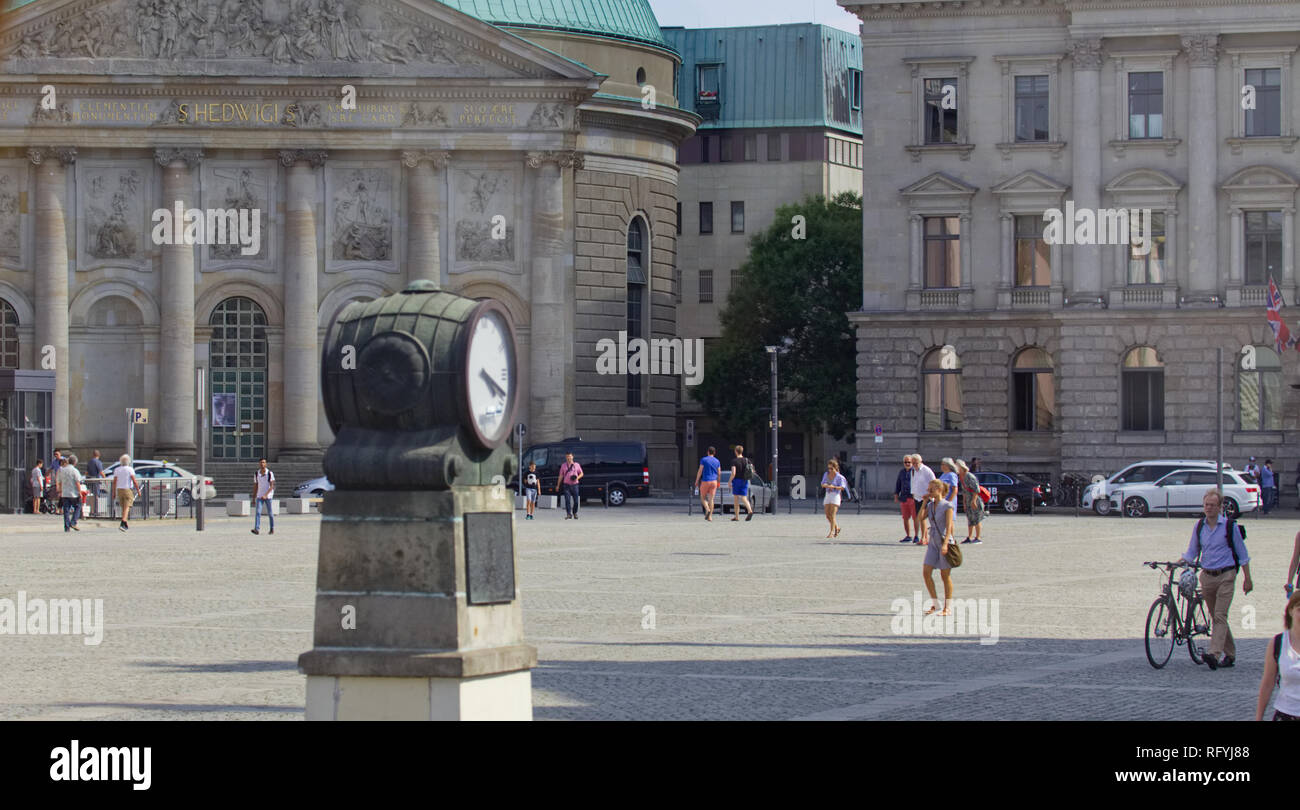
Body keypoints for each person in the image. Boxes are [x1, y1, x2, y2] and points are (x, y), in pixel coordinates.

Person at [1181, 488, 1252, 670]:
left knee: (1220, 615)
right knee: (1216, 617)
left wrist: (1247, 579)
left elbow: (1242, 554)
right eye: (1206, 505)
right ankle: (1231, 653)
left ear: (1220, 507)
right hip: (1207, 576)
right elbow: (1192, 551)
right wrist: (1178, 562)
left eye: (1213, 505)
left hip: (1226, 575)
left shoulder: (1230, 526)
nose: (1209, 508)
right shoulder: (1199, 526)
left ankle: (1214, 654)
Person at [1256, 594, 1300, 720]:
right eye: (1299, 610)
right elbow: (1267, 683)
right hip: (1286, 714)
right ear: (1291, 611)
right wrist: (1259, 718)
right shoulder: (1278, 643)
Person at [921, 478, 955, 616]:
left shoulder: (947, 506)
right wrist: (924, 502)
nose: (929, 492)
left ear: (939, 490)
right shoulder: (930, 505)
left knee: (944, 575)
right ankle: (935, 604)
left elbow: (949, 527)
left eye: (931, 490)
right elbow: (919, 519)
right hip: (933, 541)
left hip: (944, 541)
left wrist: (946, 544)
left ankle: (947, 607)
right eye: (928, 490)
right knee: (926, 572)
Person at [956, 458, 984, 544]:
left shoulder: (969, 476)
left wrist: (973, 501)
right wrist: (964, 502)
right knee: (970, 519)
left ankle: (978, 537)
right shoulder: (961, 477)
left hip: (975, 500)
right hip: (968, 500)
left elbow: (976, 490)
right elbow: (964, 492)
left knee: (976, 519)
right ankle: (969, 537)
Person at [909, 454, 935, 545]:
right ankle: (924, 538)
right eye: (913, 463)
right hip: (917, 497)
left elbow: (934, 482)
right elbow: (913, 482)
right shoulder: (913, 471)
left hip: (925, 498)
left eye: (916, 463)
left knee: (922, 517)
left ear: (921, 462)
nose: (914, 465)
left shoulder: (927, 471)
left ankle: (924, 538)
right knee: (920, 518)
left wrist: (930, 494)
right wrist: (913, 493)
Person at [820, 459, 848, 538]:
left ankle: (831, 532)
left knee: (832, 515)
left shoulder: (840, 477)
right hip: (828, 494)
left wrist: (834, 487)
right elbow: (822, 483)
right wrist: (826, 485)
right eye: (829, 468)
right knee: (827, 515)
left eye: (831, 468)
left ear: (835, 468)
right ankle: (837, 528)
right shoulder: (826, 474)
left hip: (835, 496)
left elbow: (842, 487)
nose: (830, 470)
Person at [112, 454, 140, 532]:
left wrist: (113, 492)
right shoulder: (130, 469)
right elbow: (134, 481)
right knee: (127, 506)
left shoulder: (117, 469)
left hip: (119, 489)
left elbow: (114, 482)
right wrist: (138, 490)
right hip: (127, 489)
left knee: (123, 506)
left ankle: (125, 523)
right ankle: (123, 522)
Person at [693, 447, 721, 522]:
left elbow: (700, 470)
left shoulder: (704, 459)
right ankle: (710, 517)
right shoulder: (717, 461)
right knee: (711, 499)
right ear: (714, 453)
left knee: (702, 497)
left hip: (705, 480)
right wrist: (718, 482)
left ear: (708, 452)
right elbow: (719, 473)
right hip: (714, 481)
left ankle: (707, 509)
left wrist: (697, 480)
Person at [57, 455, 83, 532]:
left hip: (65, 493)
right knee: (78, 506)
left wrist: (60, 491)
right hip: (73, 493)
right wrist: (80, 492)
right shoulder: (75, 471)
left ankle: (67, 527)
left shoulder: (63, 470)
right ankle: (73, 522)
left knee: (66, 510)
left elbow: (60, 481)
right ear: (75, 462)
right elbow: (78, 482)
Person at [729, 445, 754, 522]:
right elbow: (752, 470)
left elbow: (733, 473)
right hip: (745, 480)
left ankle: (736, 517)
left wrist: (729, 481)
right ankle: (750, 510)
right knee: (744, 497)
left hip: (736, 480)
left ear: (736, 451)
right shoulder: (747, 460)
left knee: (736, 499)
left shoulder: (734, 461)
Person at [251, 457, 275, 535]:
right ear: (259, 464)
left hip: (268, 496)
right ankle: (256, 529)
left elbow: (272, 486)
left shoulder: (269, 473)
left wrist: (266, 495)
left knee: (270, 513)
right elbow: (255, 486)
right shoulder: (256, 473)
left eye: (264, 462)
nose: (262, 464)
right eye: (261, 462)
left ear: (266, 464)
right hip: (259, 495)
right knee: (258, 512)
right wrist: (253, 498)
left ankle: (272, 528)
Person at [556, 452, 583, 520]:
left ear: (572, 457)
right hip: (566, 485)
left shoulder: (577, 465)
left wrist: (577, 478)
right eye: (567, 456)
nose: (569, 458)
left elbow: (582, 473)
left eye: (570, 456)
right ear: (566, 457)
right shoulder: (563, 465)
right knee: (567, 500)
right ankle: (568, 514)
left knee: (576, 501)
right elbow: (561, 476)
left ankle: (574, 513)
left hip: (575, 485)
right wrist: (558, 485)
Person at [894, 456, 915, 543]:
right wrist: (896, 495)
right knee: (905, 518)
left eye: (909, 462)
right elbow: (898, 484)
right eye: (905, 462)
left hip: (913, 497)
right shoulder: (901, 472)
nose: (907, 464)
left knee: (915, 518)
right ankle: (908, 535)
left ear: (912, 463)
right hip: (904, 497)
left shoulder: (915, 471)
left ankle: (917, 535)